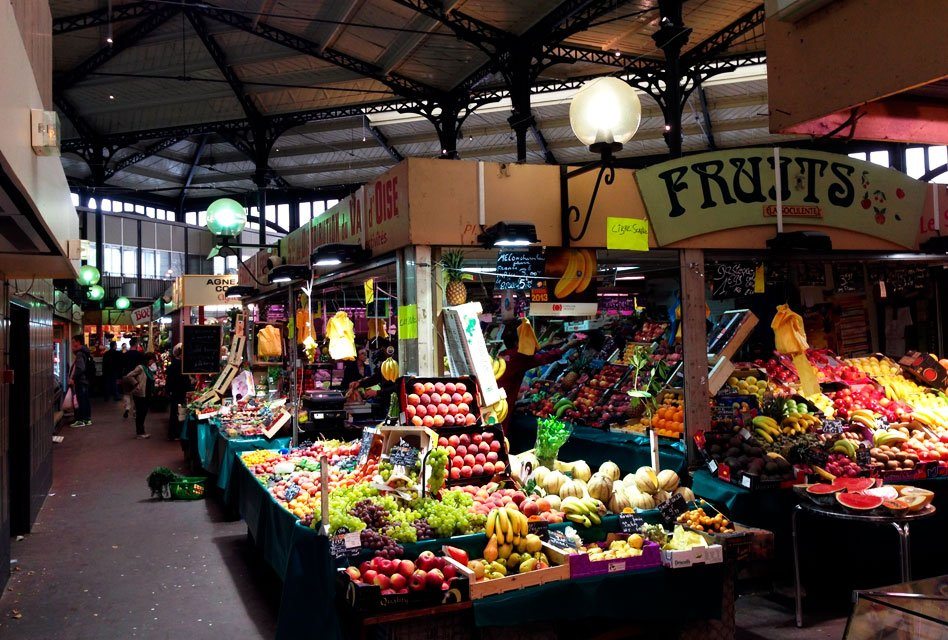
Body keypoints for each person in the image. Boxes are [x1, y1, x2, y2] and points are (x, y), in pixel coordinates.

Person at [495, 322, 566, 434]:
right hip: (504, 400)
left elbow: (526, 353)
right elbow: (543, 357)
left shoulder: (504, 353)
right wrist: (566, 346)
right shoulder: (519, 357)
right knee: (500, 430)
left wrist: (547, 343)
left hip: (497, 397)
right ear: (517, 342)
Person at [124, 352, 158, 439]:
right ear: (149, 360)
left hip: (145, 394)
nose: (152, 363)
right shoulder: (140, 367)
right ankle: (140, 433)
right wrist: (136, 384)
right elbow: (129, 376)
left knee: (143, 412)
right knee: (141, 413)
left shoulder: (146, 368)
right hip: (140, 394)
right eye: (152, 361)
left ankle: (142, 432)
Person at [165, 344, 192, 441]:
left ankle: (174, 433)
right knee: (177, 412)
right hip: (179, 391)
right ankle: (175, 433)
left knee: (175, 412)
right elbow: (183, 380)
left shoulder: (174, 363)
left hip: (175, 391)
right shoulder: (179, 365)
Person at [68, 335, 95, 427]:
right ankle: (87, 419)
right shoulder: (85, 352)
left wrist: (73, 378)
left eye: (73, 342)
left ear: (78, 342)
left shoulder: (80, 353)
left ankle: (80, 420)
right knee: (85, 400)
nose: (72, 344)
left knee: (80, 400)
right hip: (86, 380)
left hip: (81, 381)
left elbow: (80, 368)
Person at [120, 338, 145, 419]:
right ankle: (135, 411)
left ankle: (127, 408)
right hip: (135, 376)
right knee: (135, 394)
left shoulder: (124, 354)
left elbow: (121, 366)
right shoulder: (139, 355)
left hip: (125, 375)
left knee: (126, 393)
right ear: (136, 344)